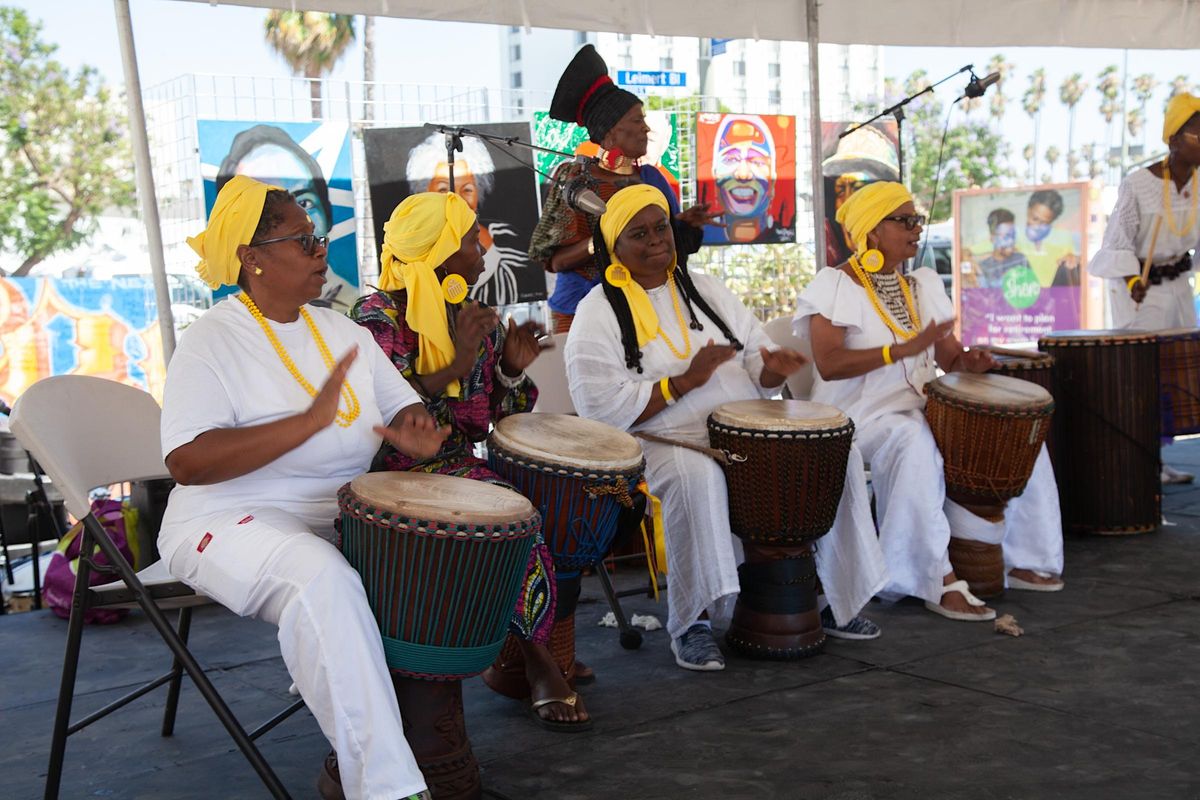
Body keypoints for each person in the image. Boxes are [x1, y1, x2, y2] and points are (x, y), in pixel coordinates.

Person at [159, 176, 447, 800]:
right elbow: (187, 462)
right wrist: (306, 423)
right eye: (305, 240)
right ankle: (389, 788)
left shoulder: (346, 335)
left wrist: (414, 433)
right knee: (321, 576)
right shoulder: (212, 341)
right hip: (225, 519)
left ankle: (398, 753)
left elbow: (405, 415)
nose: (321, 251)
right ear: (252, 257)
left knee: (425, 570)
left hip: (340, 519)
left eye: (320, 238)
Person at [565, 185, 888, 671]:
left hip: (744, 432)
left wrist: (776, 369)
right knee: (697, 477)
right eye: (640, 233)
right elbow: (601, 409)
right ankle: (691, 622)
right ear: (615, 248)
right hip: (664, 439)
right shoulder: (597, 313)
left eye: (661, 228)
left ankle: (835, 600)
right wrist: (683, 382)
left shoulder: (710, 290)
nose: (657, 240)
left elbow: (758, 364)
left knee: (834, 453)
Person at [348, 192, 590, 730]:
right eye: (468, 239)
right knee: (513, 519)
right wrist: (455, 361)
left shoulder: (473, 316)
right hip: (391, 473)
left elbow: (493, 416)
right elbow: (380, 415)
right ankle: (538, 661)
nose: (484, 248)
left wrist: (507, 366)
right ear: (437, 253)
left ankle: (520, 654)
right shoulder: (375, 319)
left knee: (530, 504)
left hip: (458, 464)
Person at [794, 182, 1065, 623]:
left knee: (1014, 432)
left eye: (916, 220)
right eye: (904, 220)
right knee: (912, 441)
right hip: (861, 417)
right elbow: (829, 363)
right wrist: (898, 351)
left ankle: (1025, 557)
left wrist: (970, 362)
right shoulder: (835, 284)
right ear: (872, 231)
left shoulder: (918, 285)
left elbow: (949, 357)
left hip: (921, 407)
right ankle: (931, 578)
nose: (916, 229)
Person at [530, 45, 716, 333]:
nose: (646, 129)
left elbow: (673, 249)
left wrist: (683, 226)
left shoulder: (652, 177)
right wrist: (606, 238)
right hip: (582, 310)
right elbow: (555, 260)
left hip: (649, 304)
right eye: (636, 120)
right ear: (609, 132)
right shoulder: (576, 179)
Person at [1093, 93, 1200, 484]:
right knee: (1140, 373)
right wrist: (1132, 279)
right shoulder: (1139, 183)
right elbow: (1117, 240)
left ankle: (1158, 458)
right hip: (1139, 288)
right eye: (1197, 133)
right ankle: (1136, 459)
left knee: (1177, 369)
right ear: (1173, 139)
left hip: (1177, 286)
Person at [404, 132, 528, 306]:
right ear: (425, 194)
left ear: (479, 191)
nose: (457, 199)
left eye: (468, 189)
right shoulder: (418, 264)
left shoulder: (510, 239)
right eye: (442, 190)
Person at [974, 208, 1031, 288]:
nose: (1011, 241)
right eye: (1006, 236)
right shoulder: (983, 267)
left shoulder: (1020, 260)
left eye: (1013, 235)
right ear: (992, 238)